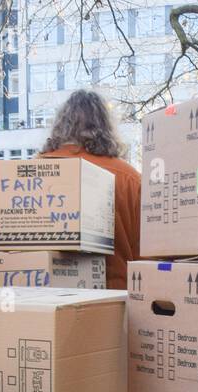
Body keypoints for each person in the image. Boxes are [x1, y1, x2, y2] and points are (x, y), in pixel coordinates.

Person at [38, 90, 140, 290]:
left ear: (61, 125)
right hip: (116, 300)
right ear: (107, 126)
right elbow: (147, 254)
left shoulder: (34, 173)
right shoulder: (130, 178)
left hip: (48, 302)